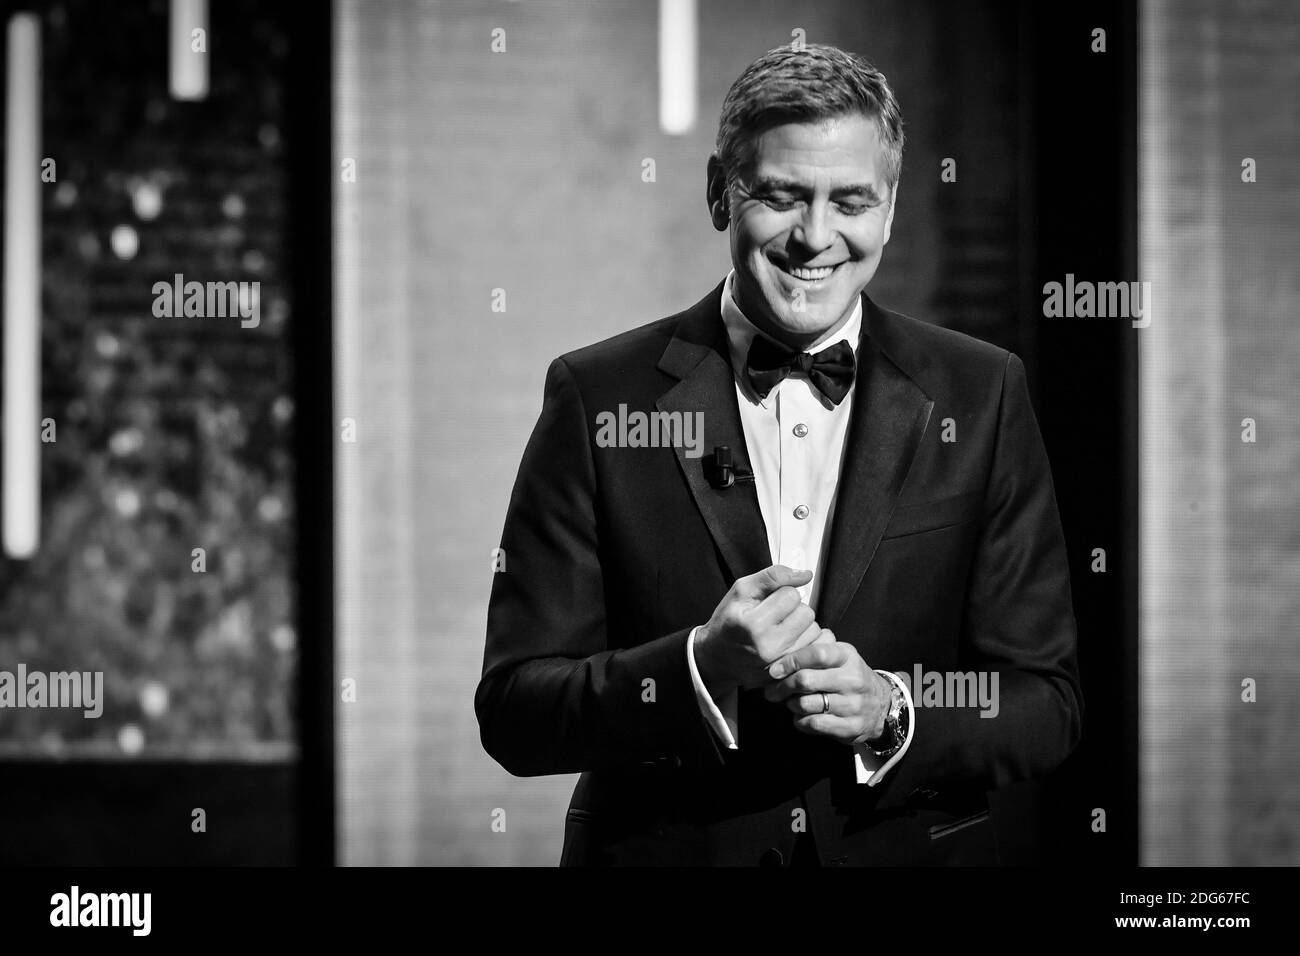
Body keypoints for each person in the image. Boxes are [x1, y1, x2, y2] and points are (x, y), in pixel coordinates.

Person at [476, 43, 1082, 866]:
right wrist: (696, 666)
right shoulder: (597, 397)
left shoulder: (982, 394)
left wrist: (891, 711)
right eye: (783, 196)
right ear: (721, 193)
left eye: (851, 201)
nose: (815, 237)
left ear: (892, 209)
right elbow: (516, 709)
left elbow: (1046, 703)